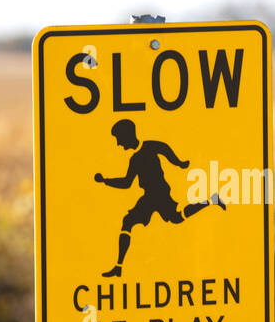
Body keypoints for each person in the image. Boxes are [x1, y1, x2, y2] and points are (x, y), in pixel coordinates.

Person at [94, 118, 224, 277]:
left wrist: (179, 163)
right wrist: (106, 181)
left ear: (127, 136)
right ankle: (118, 267)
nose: (118, 144)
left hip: (160, 193)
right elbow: (127, 182)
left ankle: (212, 200)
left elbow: (164, 148)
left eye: (119, 139)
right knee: (129, 221)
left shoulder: (150, 146)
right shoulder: (134, 159)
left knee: (176, 218)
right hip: (149, 195)